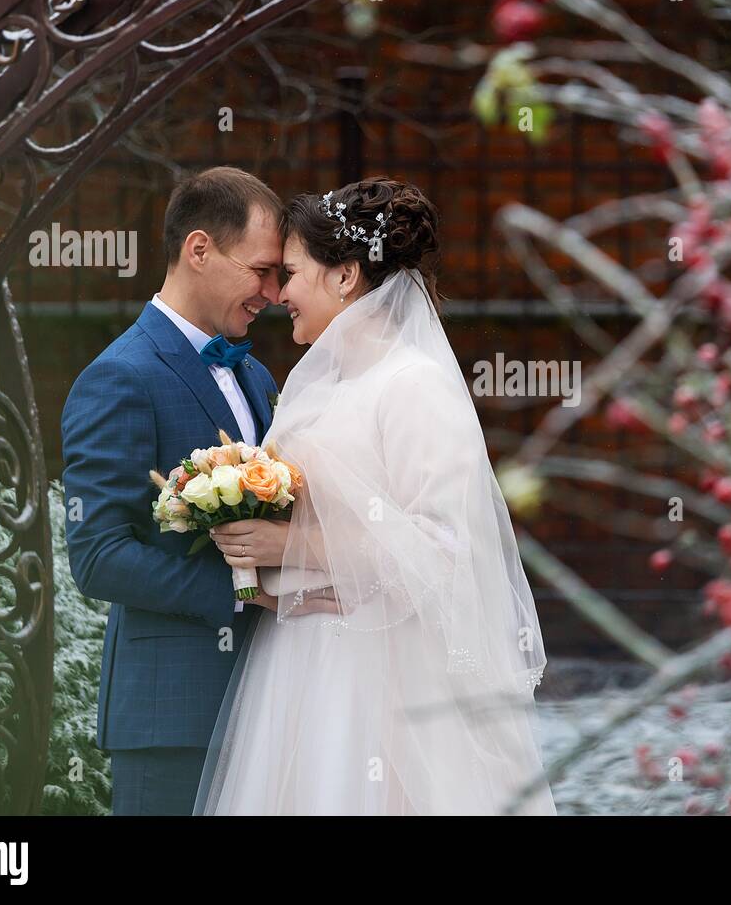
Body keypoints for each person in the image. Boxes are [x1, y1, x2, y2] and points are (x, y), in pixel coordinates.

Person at [195, 177, 556, 814]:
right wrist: (259, 567)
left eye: (294, 273)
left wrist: (294, 544)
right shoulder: (317, 385)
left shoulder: (413, 386)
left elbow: (444, 551)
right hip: (298, 663)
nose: (280, 295)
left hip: (383, 676)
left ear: (345, 276)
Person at [61, 166, 284, 815]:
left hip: (264, 703)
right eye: (261, 270)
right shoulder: (119, 377)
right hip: (171, 718)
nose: (271, 292)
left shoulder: (257, 377)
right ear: (199, 249)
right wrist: (243, 594)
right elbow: (98, 554)